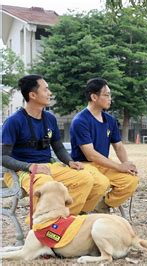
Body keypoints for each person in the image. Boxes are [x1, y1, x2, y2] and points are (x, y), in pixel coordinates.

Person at [1, 74, 107, 217]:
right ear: (32, 95)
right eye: (46, 90)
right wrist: (29, 166)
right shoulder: (14, 121)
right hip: (21, 171)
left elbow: (58, 147)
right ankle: (40, 226)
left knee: (87, 179)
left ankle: (66, 219)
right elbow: (3, 157)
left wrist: (69, 161)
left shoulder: (50, 118)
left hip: (48, 166)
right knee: (47, 185)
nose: (50, 93)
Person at [69, 78, 139, 213]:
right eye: (106, 95)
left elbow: (118, 146)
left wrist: (127, 164)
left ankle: (102, 206)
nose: (110, 98)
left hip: (103, 165)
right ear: (94, 97)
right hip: (84, 165)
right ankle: (81, 214)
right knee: (101, 183)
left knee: (131, 180)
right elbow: (90, 154)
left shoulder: (110, 120)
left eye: (110, 95)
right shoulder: (80, 121)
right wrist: (119, 166)